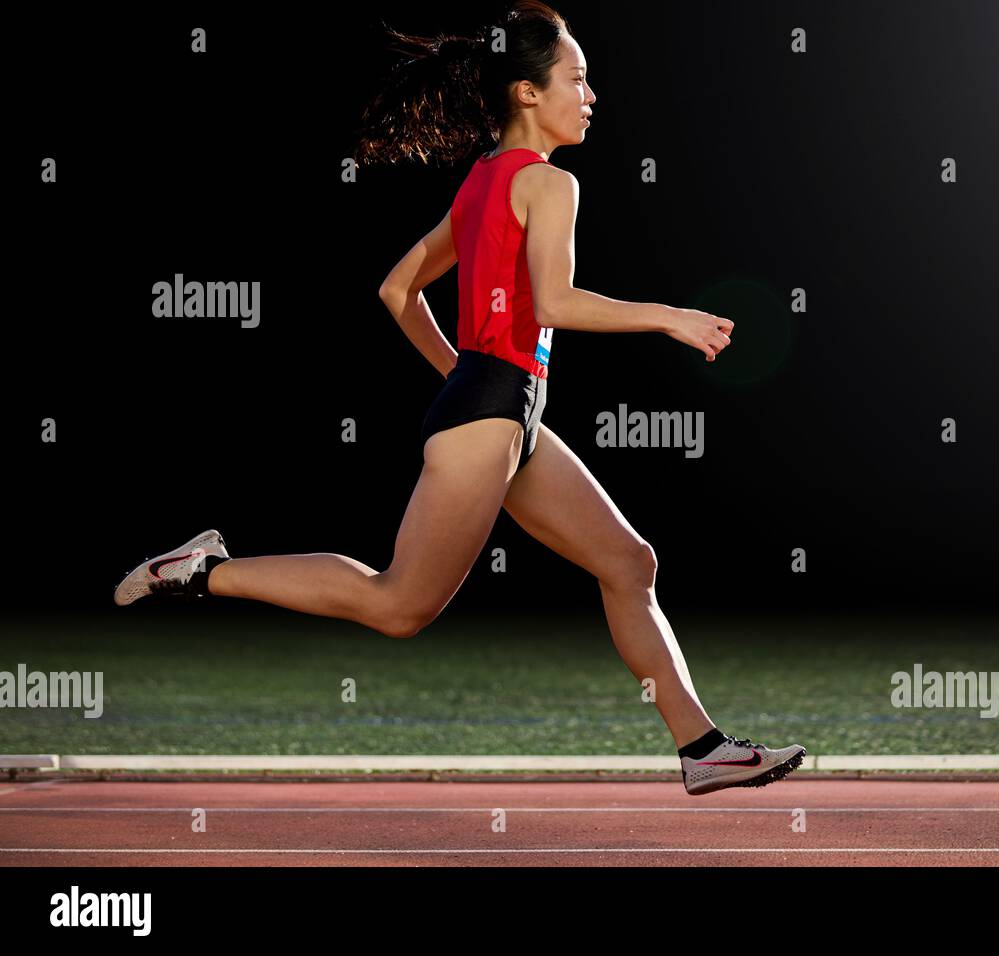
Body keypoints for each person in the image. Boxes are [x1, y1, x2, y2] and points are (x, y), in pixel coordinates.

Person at [113, 0, 804, 796]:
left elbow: (397, 289)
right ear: (527, 93)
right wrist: (667, 317)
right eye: (577, 79)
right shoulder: (548, 185)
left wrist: (462, 374)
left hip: (504, 408)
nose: (591, 94)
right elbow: (552, 303)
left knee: (628, 562)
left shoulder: (483, 181)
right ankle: (204, 569)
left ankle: (702, 746)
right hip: (493, 410)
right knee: (399, 604)